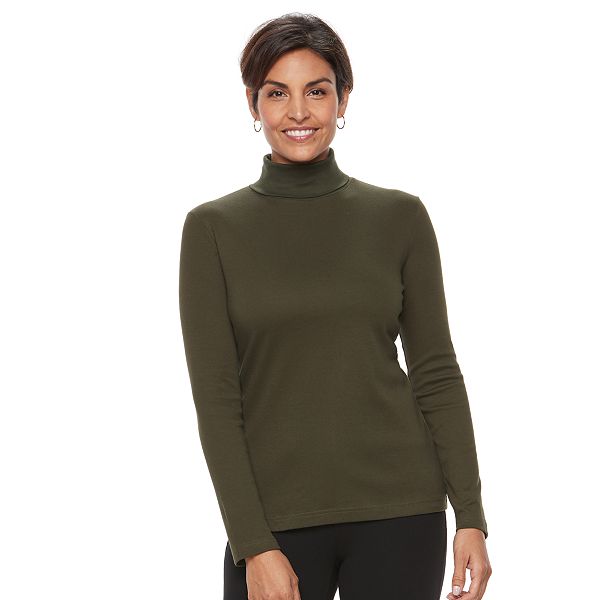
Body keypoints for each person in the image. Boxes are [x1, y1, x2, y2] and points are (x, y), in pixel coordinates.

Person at [179, 12, 492, 600]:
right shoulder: (212, 230)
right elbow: (216, 401)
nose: (298, 112)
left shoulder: (399, 217)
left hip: (401, 511)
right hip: (276, 520)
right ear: (253, 104)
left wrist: (470, 516)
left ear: (343, 99)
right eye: (277, 93)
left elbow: (435, 372)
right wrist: (252, 543)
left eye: (317, 91)